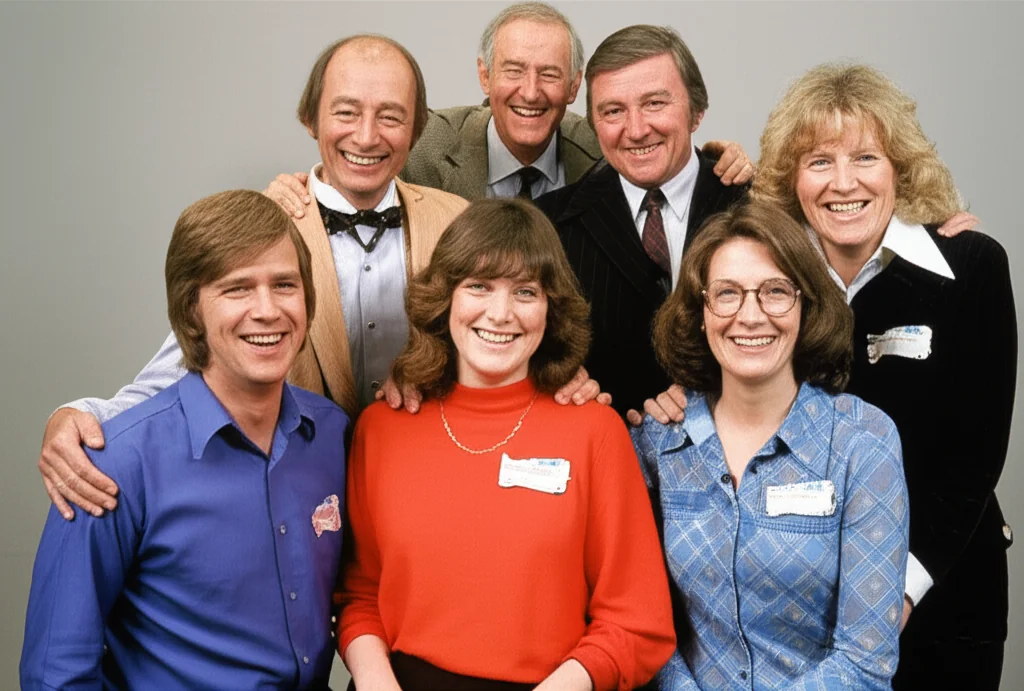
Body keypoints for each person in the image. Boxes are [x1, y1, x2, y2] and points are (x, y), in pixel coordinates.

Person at [36, 33, 599, 521]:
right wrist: (80, 414)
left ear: (416, 129)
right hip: (286, 496)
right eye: (346, 112)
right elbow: (185, 362)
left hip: (430, 496)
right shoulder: (263, 229)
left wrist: (566, 379)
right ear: (311, 119)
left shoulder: (458, 220)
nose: (367, 136)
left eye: (391, 116)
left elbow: (515, 325)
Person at [338, 198, 676, 691]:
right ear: (445, 297)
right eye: (478, 286)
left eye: (525, 292)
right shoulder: (382, 428)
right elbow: (361, 594)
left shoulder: (595, 432)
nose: (500, 314)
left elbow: (636, 623)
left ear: (551, 309)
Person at [752, 62, 1016, 690]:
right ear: (792, 180)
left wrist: (895, 592)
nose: (844, 183)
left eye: (866, 158)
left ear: (900, 167)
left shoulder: (971, 267)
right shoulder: (768, 282)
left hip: (942, 589)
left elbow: (976, 453)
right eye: (819, 161)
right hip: (801, 601)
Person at [21, 190, 349, 688]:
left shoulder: (332, 433)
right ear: (191, 309)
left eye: (285, 284)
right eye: (236, 289)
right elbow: (56, 673)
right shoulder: (110, 466)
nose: (267, 310)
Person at [633, 200, 909, 689]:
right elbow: (641, 624)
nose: (751, 315)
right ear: (701, 311)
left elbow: (865, 661)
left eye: (775, 292)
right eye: (727, 294)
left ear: (806, 304)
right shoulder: (657, 444)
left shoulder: (863, 444)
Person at [265, 3, 753, 216]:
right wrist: (300, 190)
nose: (531, 92)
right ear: (484, 76)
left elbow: (661, 152)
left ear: (573, 86)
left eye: (549, 74)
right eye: (514, 70)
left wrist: (718, 160)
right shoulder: (425, 141)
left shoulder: (606, 142)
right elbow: (359, 163)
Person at [535, 25, 749, 418]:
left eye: (654, 103)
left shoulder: (754, 207)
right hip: (608, 453)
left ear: (696, 110)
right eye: (613, 111)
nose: (636, 130)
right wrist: (552, 379)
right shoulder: (548, 224)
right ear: (594, 123)